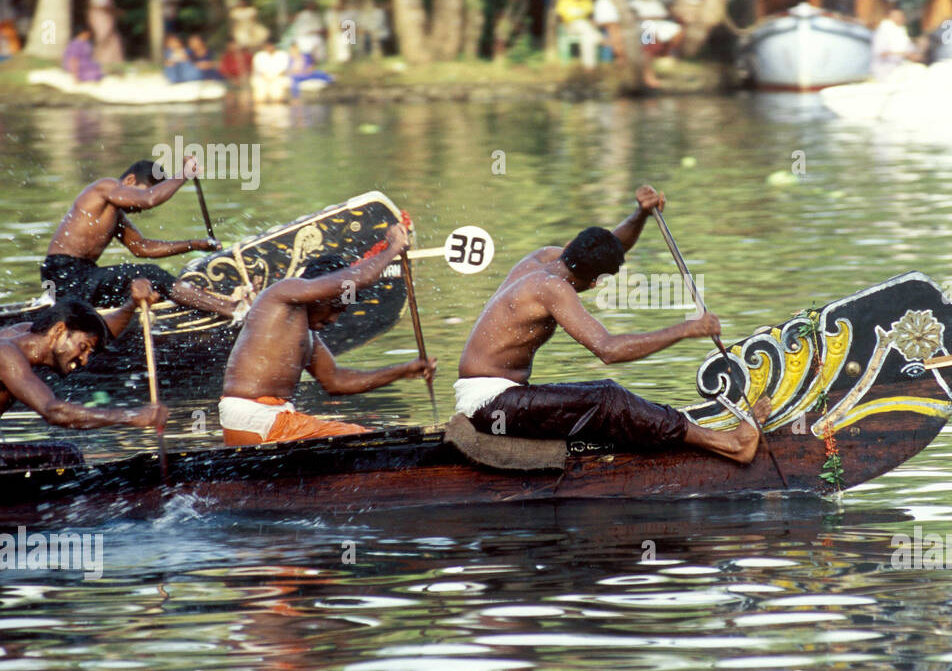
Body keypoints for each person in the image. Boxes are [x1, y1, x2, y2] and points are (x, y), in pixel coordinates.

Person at [455, 185, 772, 464]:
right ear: (593, 283)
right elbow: (608, 350)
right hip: (491, 406)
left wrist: (640, 215)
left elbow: (611, 245)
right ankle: (731, 444)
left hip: (501, 398)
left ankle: (684, 428)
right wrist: (686, 329)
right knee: (608, 398)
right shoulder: (552, 289)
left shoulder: (546, 258)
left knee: (607, 396)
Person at [218, 223, 433, 445]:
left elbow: (336, 381)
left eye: (340, 312)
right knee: (369, 441)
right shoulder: (285, 292)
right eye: (334, 308)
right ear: (319, 292)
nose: (333, 319)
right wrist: (394, 247)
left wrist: (404, 370)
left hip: (266, 419)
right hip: (257, 417)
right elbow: (354, 280)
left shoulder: (305, 331)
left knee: (363, 436)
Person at [41, 157, 239, 318]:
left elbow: (142, 247)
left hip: (83, 276)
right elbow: (148, 199)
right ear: (129, 181)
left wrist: (196, 244)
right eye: (144, 189)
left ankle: (206, 307)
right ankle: (231, 309)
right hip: (64, 276)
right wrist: (185, 174)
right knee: (149, 275)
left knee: (150, 289)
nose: (138, 209)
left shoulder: (114, 214)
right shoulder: (104, 187)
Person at [0, 279, 168, 433]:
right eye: (83, 348)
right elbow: (53, 412)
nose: (85, 359)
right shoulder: (6, 354)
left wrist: (132, 304)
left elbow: (100, 332)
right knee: (68, 456)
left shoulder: (26, 333)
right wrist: (131, 416)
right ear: (58, 330)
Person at [555, 0, 600, 68]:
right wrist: (564, 24)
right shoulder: (564, 1)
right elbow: (560, 17)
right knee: (583, 25)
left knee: (587, 38)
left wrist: (594, 24)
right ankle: (600, 38)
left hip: (586, 28)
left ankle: (589, 66)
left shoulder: (587, 1)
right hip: (569, 26)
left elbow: (591, 17)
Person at [871, 8, 916, 79]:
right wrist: (903, 54)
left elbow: (910, 50)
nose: (899, 18)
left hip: (899, 69)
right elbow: (880, 52)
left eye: (901, 16)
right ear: (890, 17)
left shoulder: (902, 31)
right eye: (896, 16)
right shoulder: (883, 31)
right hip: (884, 70)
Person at [86, 0, 124, 67]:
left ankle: (112, 63)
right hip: (101, 23)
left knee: (112, 42)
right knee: (102, 40)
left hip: (106, 23)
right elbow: (100, 5)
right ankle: (99, 61)